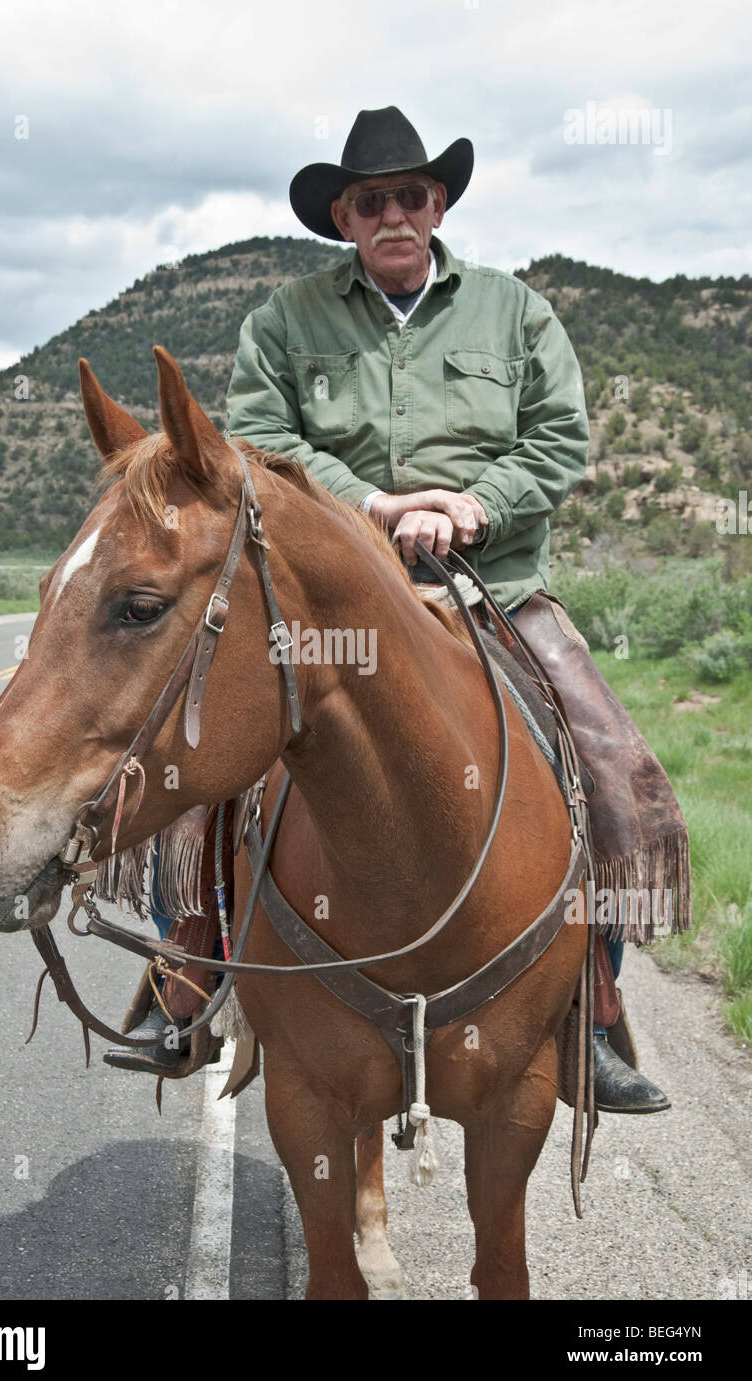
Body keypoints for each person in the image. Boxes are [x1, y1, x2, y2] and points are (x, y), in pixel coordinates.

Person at [218, 106, 692, 1114]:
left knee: (609, 772)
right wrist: (377, 507)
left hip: (498, 589)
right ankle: (197, 974)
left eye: (412, 196)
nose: (394, 214)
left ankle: (588, 1012)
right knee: (210, 750)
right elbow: (256, 437)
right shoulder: (285, 323)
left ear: (439, 205)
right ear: (342, 218)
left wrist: (476, 504)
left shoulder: (516, 314)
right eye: (371, 201)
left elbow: (561, 438)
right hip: (336, 590)